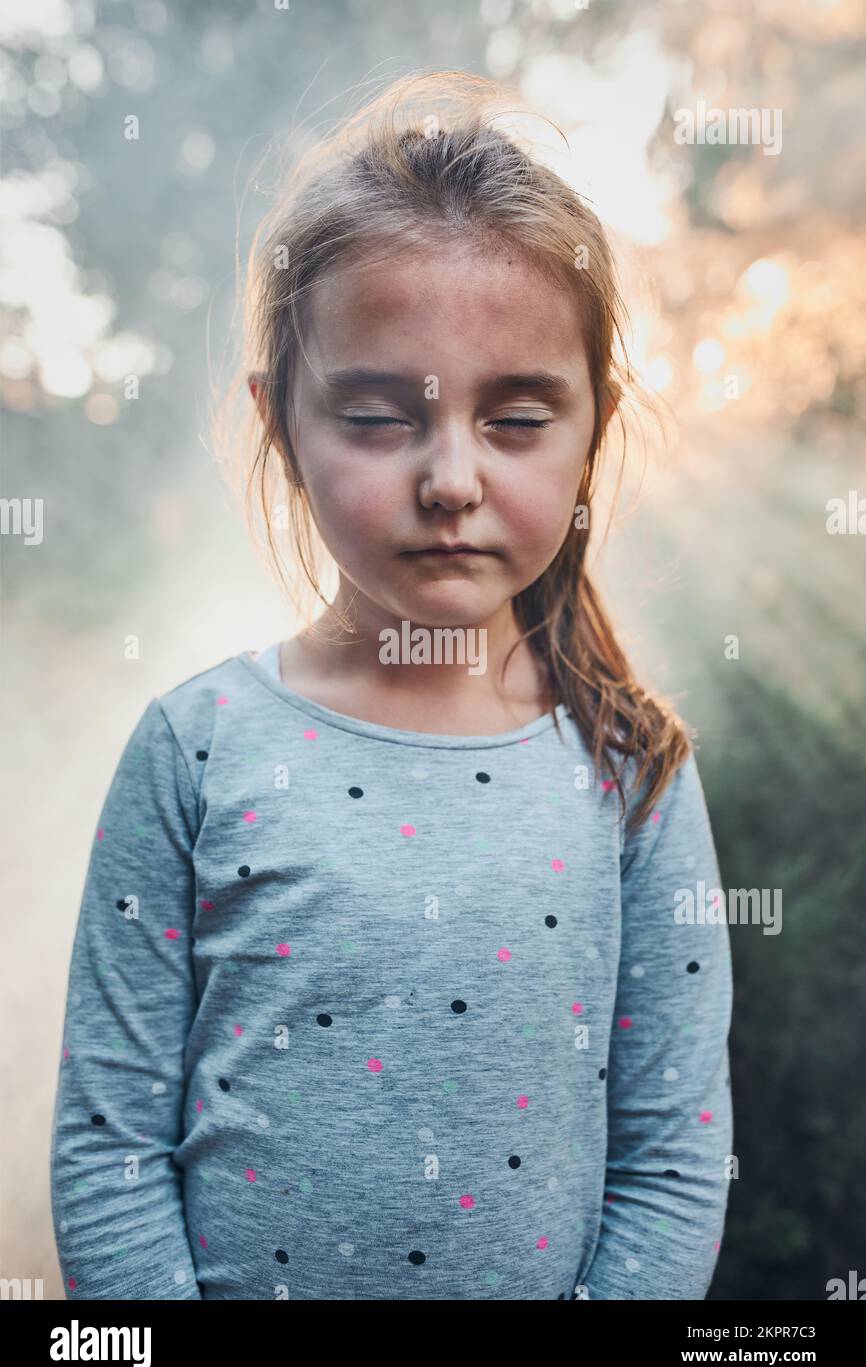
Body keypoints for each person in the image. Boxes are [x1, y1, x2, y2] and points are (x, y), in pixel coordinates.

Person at [49, 70, 733, 1300]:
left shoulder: (629, 776)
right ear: (280, 428)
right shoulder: (193, 750)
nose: (450, 478)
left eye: (516, 418)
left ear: (594, 427)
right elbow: (111, 1145)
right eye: (377, 417)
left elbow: (672, 1160)